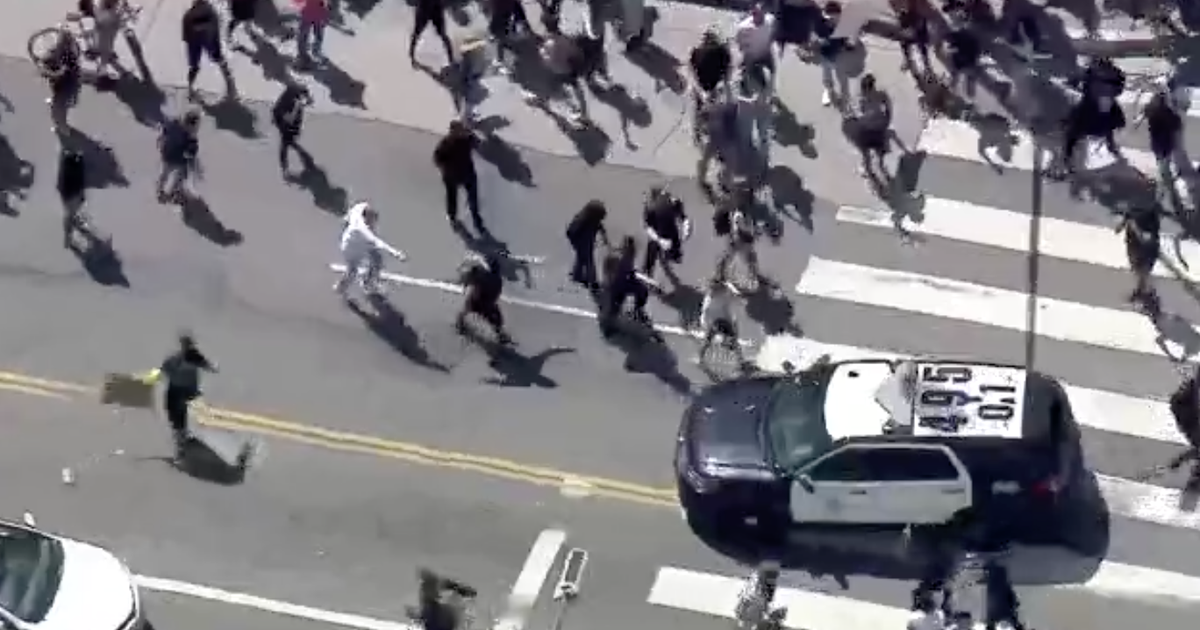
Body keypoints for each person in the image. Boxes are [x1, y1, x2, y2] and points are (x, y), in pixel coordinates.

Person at [158, 334, 217, 462]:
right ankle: (183, 445)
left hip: (182, 393)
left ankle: (183, 447)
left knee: (179, 422)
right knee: (179, 422)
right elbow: (210, 367)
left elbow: (162, 371)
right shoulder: (182, 359)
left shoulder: (184, 358)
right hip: (183, 393)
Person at [335, 201, 407, 298]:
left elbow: (351, 212)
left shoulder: (361, 207)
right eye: (371, 220)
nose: (373, 223)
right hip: (351, 249)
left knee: (377, 261)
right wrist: (396, 253)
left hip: (359, 241)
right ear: (366, 219)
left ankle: (367, 282)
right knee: (352, 271)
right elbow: (377, 242)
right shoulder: (363, 229)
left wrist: (346, 220)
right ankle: (340, 287)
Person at [1138, 77, 1191, 205]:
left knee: (1163, 165)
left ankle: (1163, 191)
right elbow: (1176, 122)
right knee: (1164, 163)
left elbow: (1146, 112)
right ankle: (1166, 188)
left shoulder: (1159, 107)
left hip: (1161, 142)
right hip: (1163, 141)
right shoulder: (1166, 109)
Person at [599, 236, 654, 338]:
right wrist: (609, 287)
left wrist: (648, 280)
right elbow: (607, 274)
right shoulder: (614, 258)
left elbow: (631, 271)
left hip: (626, 281)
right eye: (629, 249)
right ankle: (607, 327)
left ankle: (638, 309)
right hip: (614, 286)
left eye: (632, 250)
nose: (632, 252)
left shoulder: (629, 257)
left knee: (642, 291)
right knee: (612, 307)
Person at [434, 121, 484, 231]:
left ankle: (475, 216)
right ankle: (453, 215)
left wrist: (471, 135)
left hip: (466, 173)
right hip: (453, 175)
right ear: (452, 131)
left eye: (461, 130)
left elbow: (478, 144)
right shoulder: (447, 143)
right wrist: (445, 167)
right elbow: (437, 158)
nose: (460, 132)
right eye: (458, 130)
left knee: (472, 196)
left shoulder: (467, 139)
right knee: (452, 196)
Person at [457, 252, 512, 345]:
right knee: (496, 318)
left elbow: (470, 277)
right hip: (486, 305)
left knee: (465, 311)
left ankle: (460, 325)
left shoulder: (482, 274)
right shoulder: (498, 280)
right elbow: (496, 295)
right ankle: (500, 335)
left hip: (476, 301)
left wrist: (466, 284)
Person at [689, 29, 732, 144]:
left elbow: (727, 72)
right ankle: (697, 132)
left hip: (716, 87)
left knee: (716, 112)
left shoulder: (723, 53)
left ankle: (714, 134)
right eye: (704, 41)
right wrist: (700, 91)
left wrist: (721, 87)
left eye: (710, 41)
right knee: (699, 109)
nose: (706, 44)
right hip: (701, 86)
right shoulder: (696, 52)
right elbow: (692, 72)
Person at [182, 0, 232, 99]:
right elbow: (187, 35)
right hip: (200, 41)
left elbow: (186, 36)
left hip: (201, 41)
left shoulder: (192, 15)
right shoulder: (207, 13)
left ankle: (229, 83)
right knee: (196, 66)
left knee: (197, 66)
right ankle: (229, 82)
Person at [641, 187, 691, 284]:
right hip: (658, 233)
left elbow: (683, 218)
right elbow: (648, 228)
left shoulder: (674, 203)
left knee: (670, 249)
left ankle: (671, 256)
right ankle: (648, 274)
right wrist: (660, 240)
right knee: (652, 252)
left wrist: (686, 227)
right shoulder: (651, 207)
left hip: (669, 232)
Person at [1116, 203, 1160, 312]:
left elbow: (1148, 238)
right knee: (1137, 271)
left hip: (1147, 250)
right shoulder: (1130, 213)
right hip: (1133, 248)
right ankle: (1143, 292)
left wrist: (1134, 227)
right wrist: (1123, 224)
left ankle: (1148, 295)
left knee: (1143, 273)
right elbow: (1118, 229)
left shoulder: (1151, 217)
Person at [853, 74, 894, 182]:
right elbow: (889, 109)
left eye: (863, 88)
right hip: (873, 130)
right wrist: (886, 120)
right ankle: (877, 170)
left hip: (870, 131)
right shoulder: (878, 95)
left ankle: (872, 171)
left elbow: (860, 114)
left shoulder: (865, 98)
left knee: (871, 154)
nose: (863, 91)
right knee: (874, 154)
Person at [156, 109, 203, 202]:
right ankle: (174, 193)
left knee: (164, 173)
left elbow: (165, 131)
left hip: (166, 154)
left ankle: (159, 190)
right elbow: (191, 152)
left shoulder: (174, 124)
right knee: (179, 176)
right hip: (178, 160)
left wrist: (161, 141)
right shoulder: (190, 137)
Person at [41, 31, 81, 136]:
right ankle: (57, 106)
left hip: (65, 87)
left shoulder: (68, 57)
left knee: (59, 110)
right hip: (60, 85)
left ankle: (62, 126)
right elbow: (44, 68)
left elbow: (46, 71)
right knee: (60, 100)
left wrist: (55, 74)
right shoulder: (55, 53)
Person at [699, 277, 745, 365]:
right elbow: (737, 296)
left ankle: (701, 358)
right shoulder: (720, 295)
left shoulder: (713, 295)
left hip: (714, 321)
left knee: (708, 340)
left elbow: (736, 296)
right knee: (732, 339)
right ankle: (740, 361)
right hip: (718, 321)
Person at [272, 79, 314, 173]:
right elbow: (289, 119)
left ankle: (292, 142)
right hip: (282, 117)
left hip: (292, 113)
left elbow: (308, 98)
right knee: (285, 140)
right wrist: (297, 107)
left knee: (294, 131)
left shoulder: (298, 90)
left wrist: (307, 100)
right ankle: (284, 166)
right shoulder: (287, 103)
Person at [565, 200, 609, 289]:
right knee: (588, 261)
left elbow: (601, 229)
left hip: (585, 242)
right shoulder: (584, 219)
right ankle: (591, 280)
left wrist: (605, 239)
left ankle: (577, 276)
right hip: (582, 242)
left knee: (581, 259)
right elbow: (572, 230)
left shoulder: (591, 219)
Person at [735, 3, 776, 93]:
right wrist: (746, 51)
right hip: (751, 55)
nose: (761, 17)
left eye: (763, 14)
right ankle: (744, 83)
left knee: (773, 70)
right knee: (747, 70)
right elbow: (739, 43)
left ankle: (771, 92)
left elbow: (774, 33)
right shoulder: (744, 27)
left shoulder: (770, 20)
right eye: (758, 14)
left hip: (766, 52)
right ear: (753, 14)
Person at [56, 147, 88, 246]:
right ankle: (69, 232)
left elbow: (61, 177)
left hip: (68, 192)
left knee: (70, 212)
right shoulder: (75, 164)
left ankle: (70, 231)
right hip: (72, 191)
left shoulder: (68, 163)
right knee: (70, 213)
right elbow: (80, 178)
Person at [734, 562, 781, 629]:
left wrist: (744, 598)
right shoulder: (744, 619)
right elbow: (764, 611)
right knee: (768, 580)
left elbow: (742, 606)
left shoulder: (741, 617)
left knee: (762, 579)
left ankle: (766, 566)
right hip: (760, 597)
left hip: (756, 597)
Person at [409, 0, 455, 66]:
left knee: (417, 32)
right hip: (429, 6)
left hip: (430, 6)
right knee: (442, 34)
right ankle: (451, 59)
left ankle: (451, 59)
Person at [297, 0, 330, 67]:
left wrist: (325, 16)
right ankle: (304, 55)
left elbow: (324, 4)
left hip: (316, 15)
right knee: (305, 35)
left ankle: (314, 52)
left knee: (316, 35)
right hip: (309, 14)